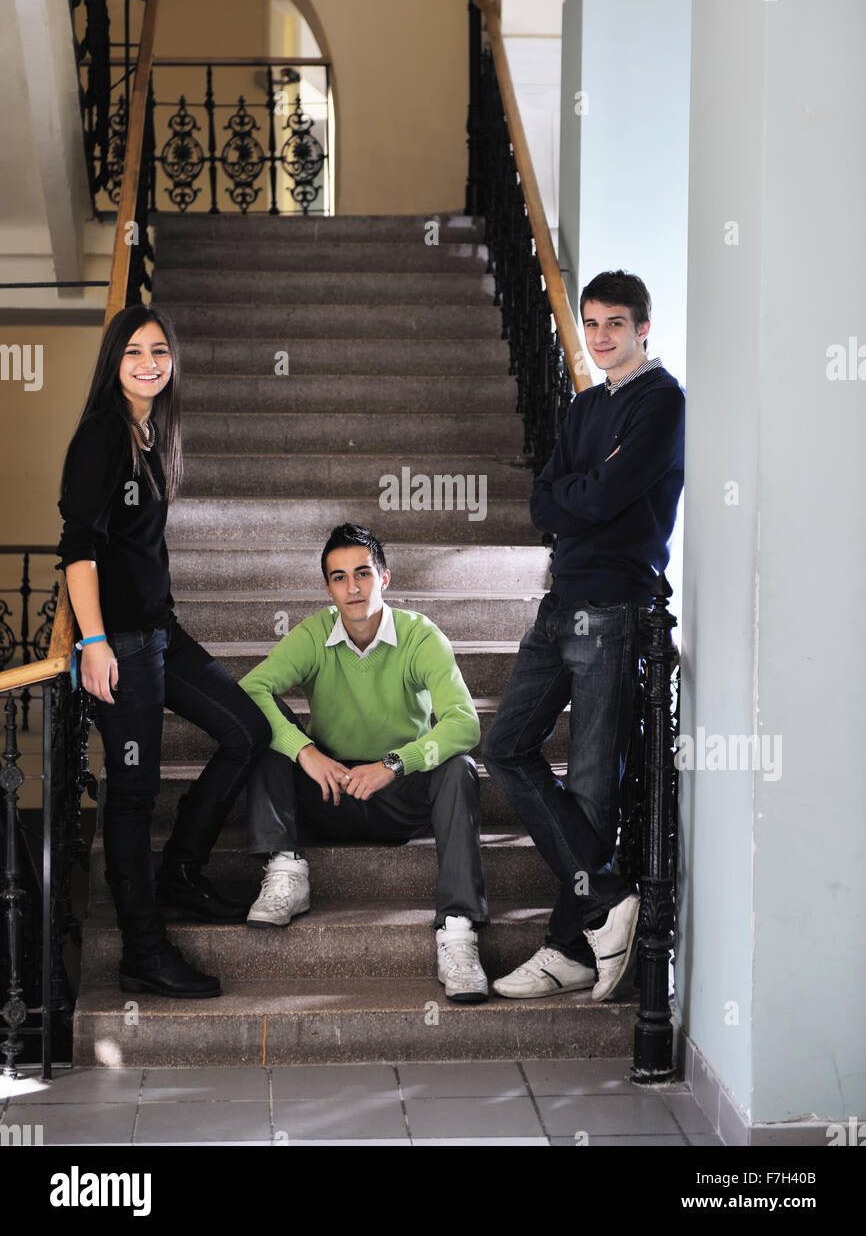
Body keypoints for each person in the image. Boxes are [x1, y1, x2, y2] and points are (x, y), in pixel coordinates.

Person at [56, 304, 271, 999]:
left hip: (160, 632)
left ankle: (180, 870)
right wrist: (92, 643)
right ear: (113, 362)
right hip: (119, 642)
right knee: (132, 796)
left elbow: (137, 544)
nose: (149, 362)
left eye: (160, 351)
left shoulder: (149, 432)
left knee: (247, 732)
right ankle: (142, 952)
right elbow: (78, 549)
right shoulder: (101, 437)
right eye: (133, 352)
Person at [482, 271, 685, 1002]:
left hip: (615, 606)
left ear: (643, 329)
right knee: (503, 746)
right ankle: (605, 898)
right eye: (591, 323)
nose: (600, 337)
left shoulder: (662, 402)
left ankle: (569, 948)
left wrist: (582, 493)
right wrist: (581, 493)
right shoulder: (587, 405)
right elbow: (549, 500)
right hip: (560, 600)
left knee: (595, 788)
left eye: (615, 325)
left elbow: (596, 496)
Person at [239, 522, 490, 1003]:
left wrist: (395, 764)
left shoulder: (420, 636)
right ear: (327, 586)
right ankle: (286, 868)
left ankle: (458, 931)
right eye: (338, 577)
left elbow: (465, 724)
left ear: (385, 578)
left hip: (399, 796)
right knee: (262, 729)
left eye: (363, 574)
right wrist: (306, 753)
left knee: (459, 766)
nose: (352, 588)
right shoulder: (314, 635)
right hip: (330, 791)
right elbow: (252, 689)